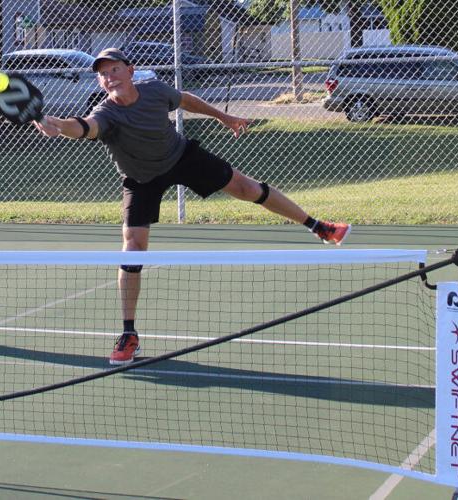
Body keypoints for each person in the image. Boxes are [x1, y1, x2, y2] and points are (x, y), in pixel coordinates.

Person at [34, 48, 350, 366]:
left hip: (180, 157)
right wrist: (57, 125)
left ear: (130, 70)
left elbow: (185, 99)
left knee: (246, 188)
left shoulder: (155, 91)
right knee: (132, 248)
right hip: (140, 179)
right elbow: (85, 126)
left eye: (114, 69)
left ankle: (318, 226)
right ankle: (129, 334)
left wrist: (224, 117)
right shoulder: (106, 113)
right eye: (103, 74)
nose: (109, 77)